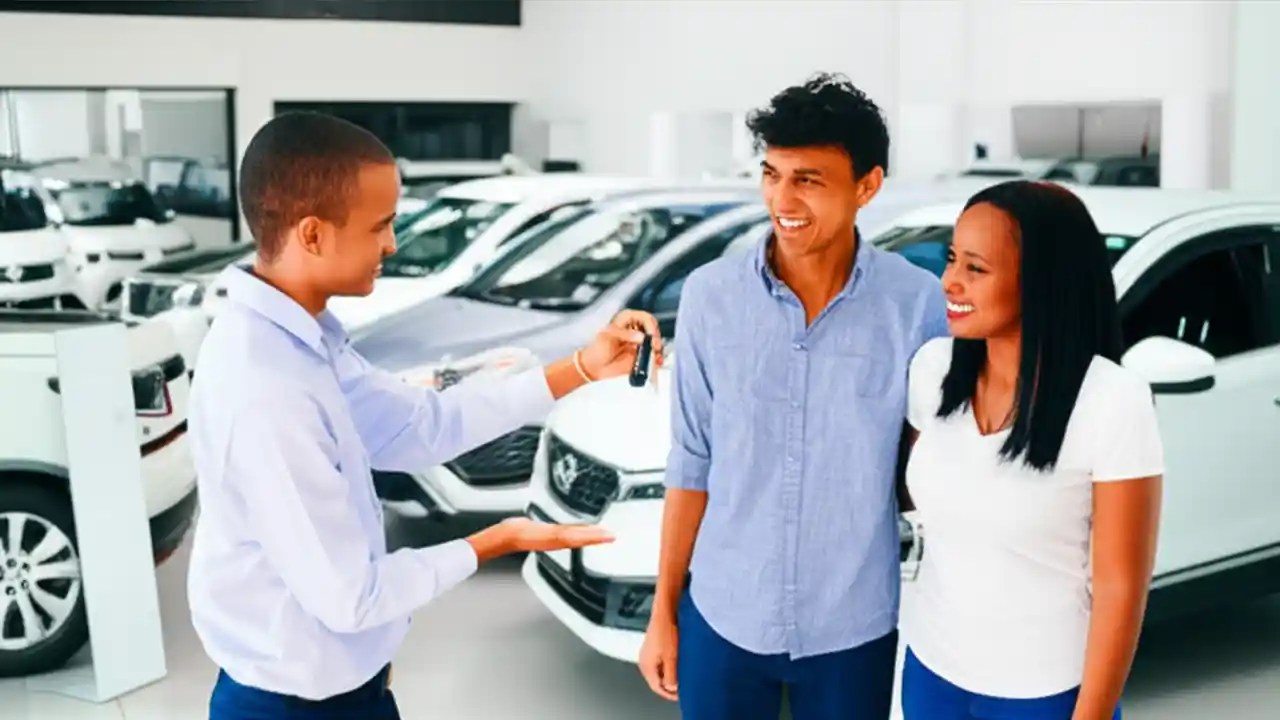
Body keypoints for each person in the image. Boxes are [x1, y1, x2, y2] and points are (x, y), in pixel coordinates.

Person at [186, 111, 664, 719]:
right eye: (381, 226)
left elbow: (422, 425)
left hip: (349, 688)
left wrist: (583, 367)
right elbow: (351, 598)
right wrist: (495, 541)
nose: (392, 244)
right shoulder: (266, 386)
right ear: (312, 234)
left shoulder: (306, 342)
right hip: (291, 706)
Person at [638, 73, 948, 719]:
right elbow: (691, 460)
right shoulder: (710, 294)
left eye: (808, 178)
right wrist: (663, 612)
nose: (783, 197)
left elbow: (933, 467)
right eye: (772, 174)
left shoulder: (916, 304)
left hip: (853, 625)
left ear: (868, 185)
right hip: (724, 614)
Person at [899, 180, 1164, 719]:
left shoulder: (1112, 401)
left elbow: (1120, 589)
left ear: (1040, 282)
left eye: (976, 268)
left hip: (1045, 692)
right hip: (932, 672)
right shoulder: (933, 370)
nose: (949, 281)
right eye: (952, 259)